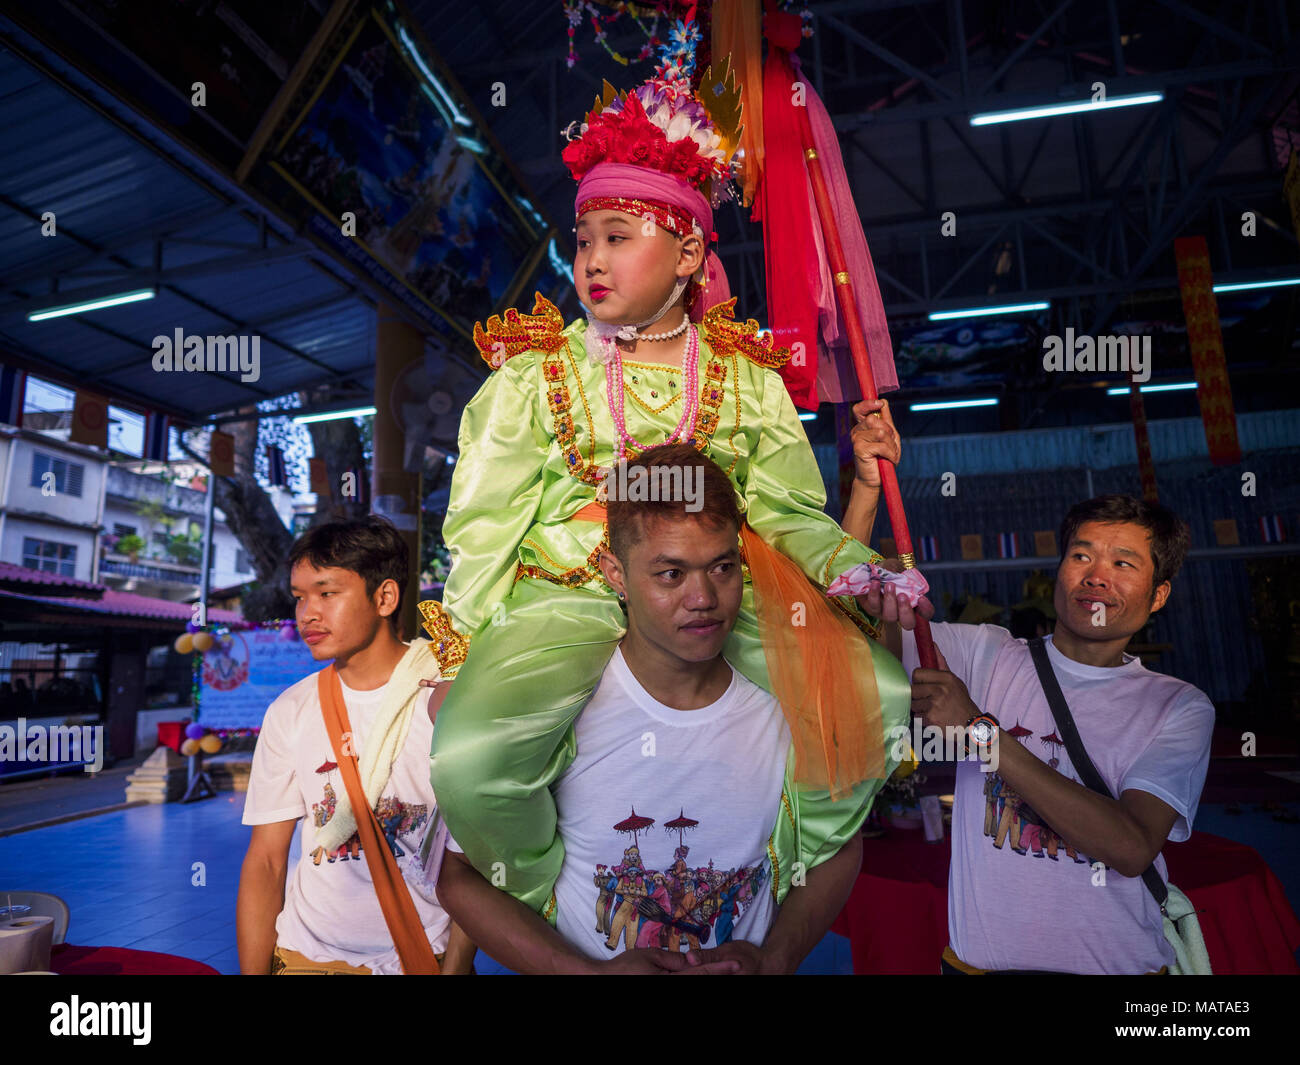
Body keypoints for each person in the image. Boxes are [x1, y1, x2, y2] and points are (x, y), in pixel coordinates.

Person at [420, 56, 911, 918]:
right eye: (583, 239)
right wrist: (459, 655)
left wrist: (850, 565)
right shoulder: (534, 372)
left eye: (618, 236)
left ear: (688, 252)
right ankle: (548, 904)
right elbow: (484, 525)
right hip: (568, 588)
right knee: (468, 759)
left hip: (719, 584)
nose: (592, 260)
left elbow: (787, 511)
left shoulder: (746, 376)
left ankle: (782, 876)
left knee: (881, 698)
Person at [435, 444, 867, 973]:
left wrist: (774, 959)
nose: (703, 598)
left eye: (722, 567)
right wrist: (590, 974)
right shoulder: (550, 709)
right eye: (671, 574)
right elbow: (459, 877)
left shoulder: (789, 699)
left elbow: (839, 845)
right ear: (615, 574)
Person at [856, 494, 1215, 975]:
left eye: (1123, 563)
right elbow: (855, 630)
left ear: (1158, 595)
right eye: (1081, 555)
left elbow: (1130, 848)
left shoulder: (1177, 706)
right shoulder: (985, 656)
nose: (1096, 576)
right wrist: (868, 563)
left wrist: (979, 731)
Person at [237, 516, 474, 975]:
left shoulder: (445, 700)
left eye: (327, 593)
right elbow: (266, 861)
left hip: (421, 958)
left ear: (384, 597)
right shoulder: (290, 710)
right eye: (300, 597)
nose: (307, 613)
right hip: (303, 959)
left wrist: (457, 965)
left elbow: (478, 854)